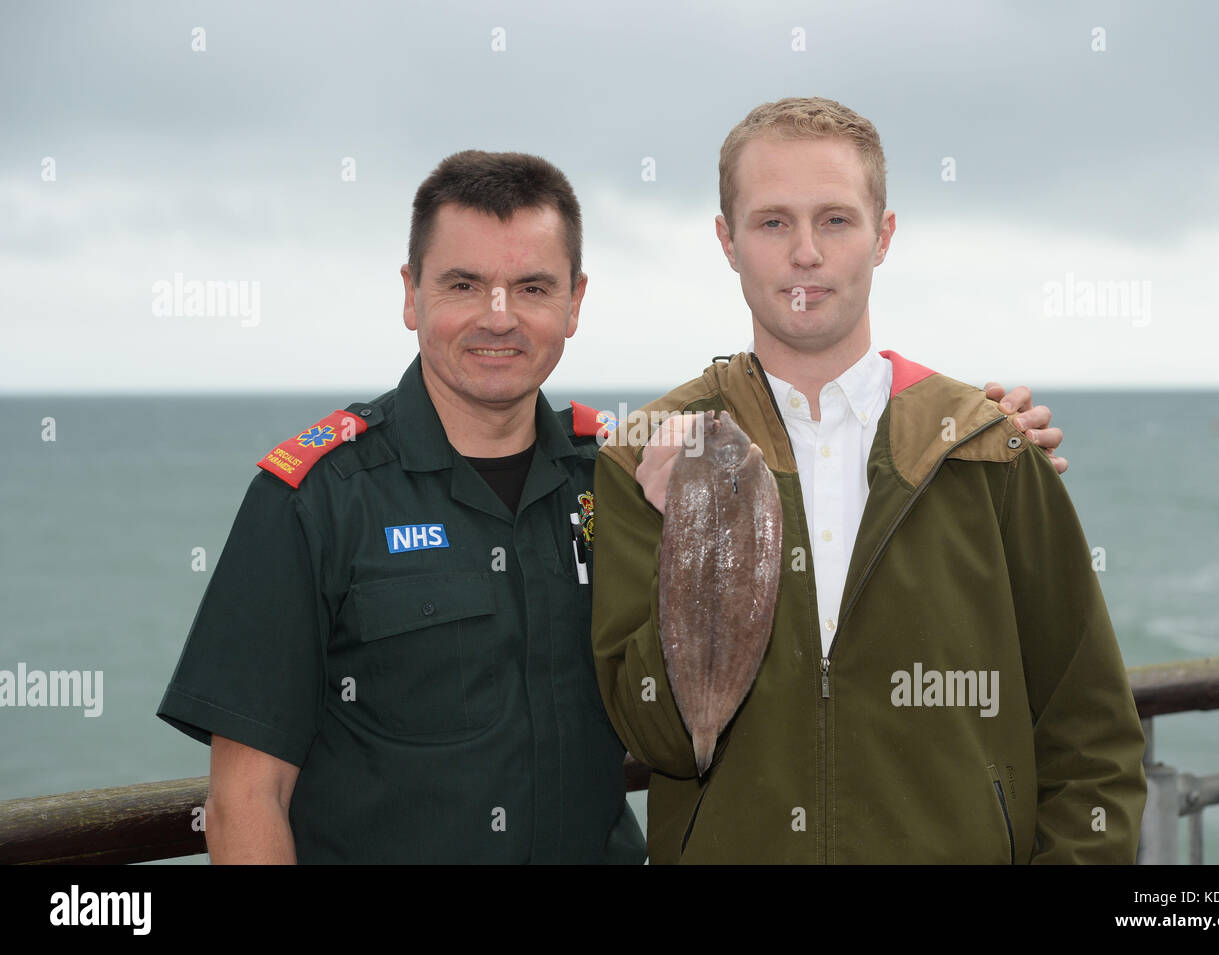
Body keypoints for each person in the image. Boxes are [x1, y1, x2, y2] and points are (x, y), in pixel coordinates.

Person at [590, 97, 1147, 864]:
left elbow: (1094, 739)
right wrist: (701, 532)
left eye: (837, 220)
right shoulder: (644, 454)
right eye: (772, 222)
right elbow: (659, 735)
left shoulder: (988, 449)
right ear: (727, 241)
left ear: (883, 236)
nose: (806, 253)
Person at [157, 151, 644, 863]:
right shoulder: (316, 499)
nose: (498, 317)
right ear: (412, 294)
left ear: (575, 301)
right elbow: (245, 802)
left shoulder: (618, 480)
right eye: (464, 284)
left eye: (533, 286)